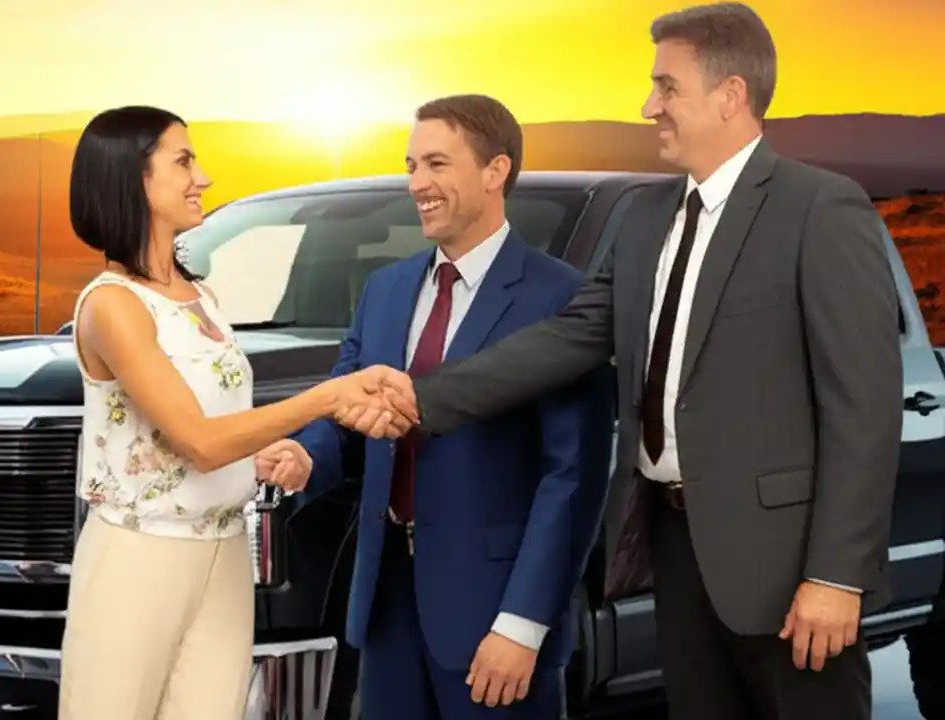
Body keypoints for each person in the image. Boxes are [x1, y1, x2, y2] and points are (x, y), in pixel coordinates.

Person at [347, 4, 902, 719]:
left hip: (788, 566)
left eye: (666, 87)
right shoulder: (646, 218)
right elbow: (570, 337)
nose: (649, 106)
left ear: (730, 94)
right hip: (676, 549)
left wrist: (837, 575)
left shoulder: (820, 209)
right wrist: (419, 399)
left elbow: (864, 407)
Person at [289, 94, 614, 720]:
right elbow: (348, 413)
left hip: (493, 617)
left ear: (496, 171)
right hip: (384, 608)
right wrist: (305, 456)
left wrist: (522, 626)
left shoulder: (562, 299)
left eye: (436, 164)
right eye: (411, 165)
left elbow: (572, 476)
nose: (418, 184)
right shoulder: (385, 290)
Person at [57, 105, 384, 720]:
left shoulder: (200, 295)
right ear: (134, 179)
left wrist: (259, 455)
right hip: (140, 554)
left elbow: (196, 434)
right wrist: (328, 398)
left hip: (225, 549)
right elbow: (199, 442)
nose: (202, 177)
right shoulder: (112, 307)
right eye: (183, 161)